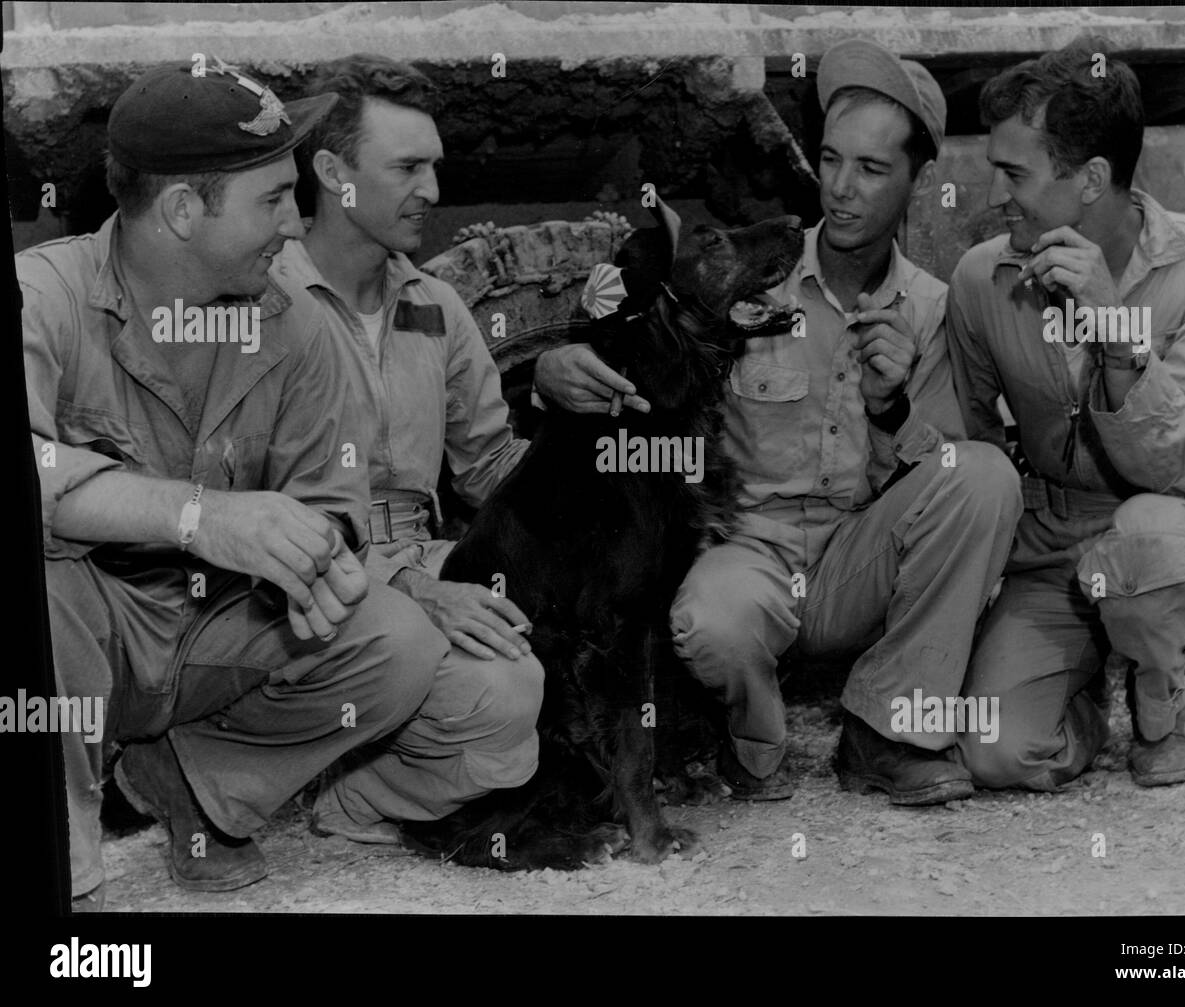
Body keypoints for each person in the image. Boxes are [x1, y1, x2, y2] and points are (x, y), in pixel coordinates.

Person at [537, 39, 1021, 806]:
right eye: (830, 160)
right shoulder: (752, 270)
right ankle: (750, 739)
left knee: (986, 476)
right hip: (752, 556)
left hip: (859, 560)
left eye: (870, 169)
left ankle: (885, 730)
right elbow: (638, 349)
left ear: (917, 180)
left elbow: (947, 486)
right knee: (712, 619)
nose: (840, 190)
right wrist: (551, 369)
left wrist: (892, 405)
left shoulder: (931, 309)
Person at [24, 58, 453, 909]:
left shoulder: (293, 326)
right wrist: (199, 515)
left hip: (217, 626)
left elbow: (332, 499)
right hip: (89, 627)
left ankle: (190, 776)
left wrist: (312, 556)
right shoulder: (46, 297)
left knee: (398, 641)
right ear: (183, 210)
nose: (296, 227)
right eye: (272, 200)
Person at [946, 39, 1185, 790]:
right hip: (1051, 544)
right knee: (998, 751)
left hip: (1167, 521)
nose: (1000, 193)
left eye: (1015, 173)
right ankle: (1079, 682)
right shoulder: (981, 278)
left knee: (1146, 549)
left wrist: (1116, 334)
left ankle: (1158, 694)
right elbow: (968, 447)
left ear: (1090, 179)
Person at [275, 55, 544, 843]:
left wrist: (582, 440)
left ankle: (349, 791)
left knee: (542, 660)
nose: (431, 189)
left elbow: (491, 465)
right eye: (407, 167)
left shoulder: (436, 305)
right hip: (299, 579)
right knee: (501, 687)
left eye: (435, 166)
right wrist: (417, 591)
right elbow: (260, 506)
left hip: (424, 553)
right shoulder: (265, 306)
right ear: (332, 172)